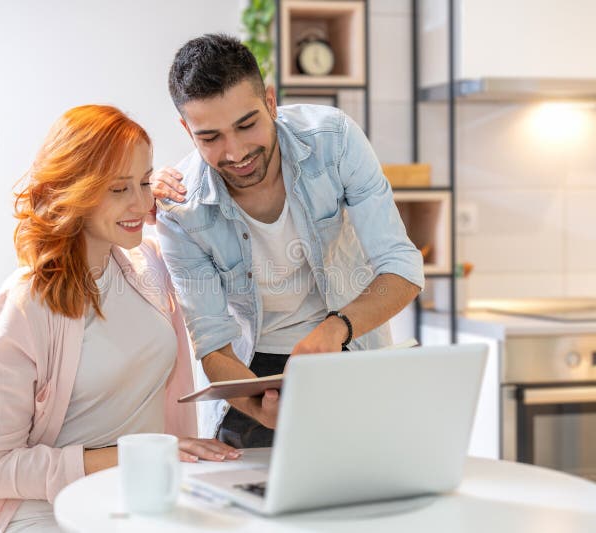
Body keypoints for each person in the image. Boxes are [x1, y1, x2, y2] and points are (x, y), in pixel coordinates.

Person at [0, 105, 240, 533]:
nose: (141, 201)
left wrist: (162, 206)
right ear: (77, 191)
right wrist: (133, 454)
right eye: (118, 188)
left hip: (140, 499)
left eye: (145, 182)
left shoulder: (148, 266)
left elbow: (226, 257)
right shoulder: (23, 305)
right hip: (47, 510)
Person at [152, 34, 425, 448]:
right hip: (250, 380)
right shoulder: (180, 211)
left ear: (271, 101)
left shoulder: (334, 141)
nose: (236, 152)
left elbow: (401, 268)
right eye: (210, 138)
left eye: (247, 125)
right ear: (187, 131)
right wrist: (261, 406)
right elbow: (213, 348)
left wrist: (337, 328)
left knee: (367, 498)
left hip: (349, 346)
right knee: (251, 505)